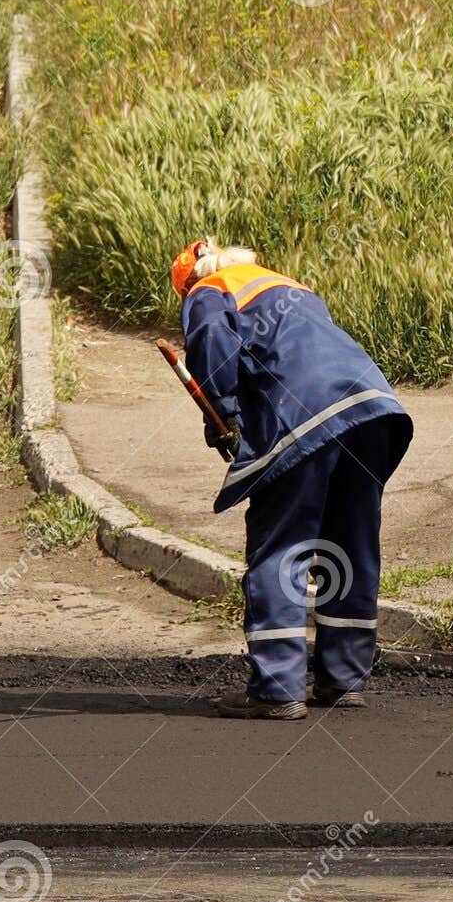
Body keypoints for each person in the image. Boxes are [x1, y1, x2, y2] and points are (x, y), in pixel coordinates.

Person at [171, 238, 413, 719]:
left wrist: (222, 413)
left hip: (307, 417)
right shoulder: (292, 288)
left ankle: (278, 688)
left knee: (281, 543)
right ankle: (343, 680)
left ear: (187, 283)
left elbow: (213, 346)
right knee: (349, 541)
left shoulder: (208, 291)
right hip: (372, 411)